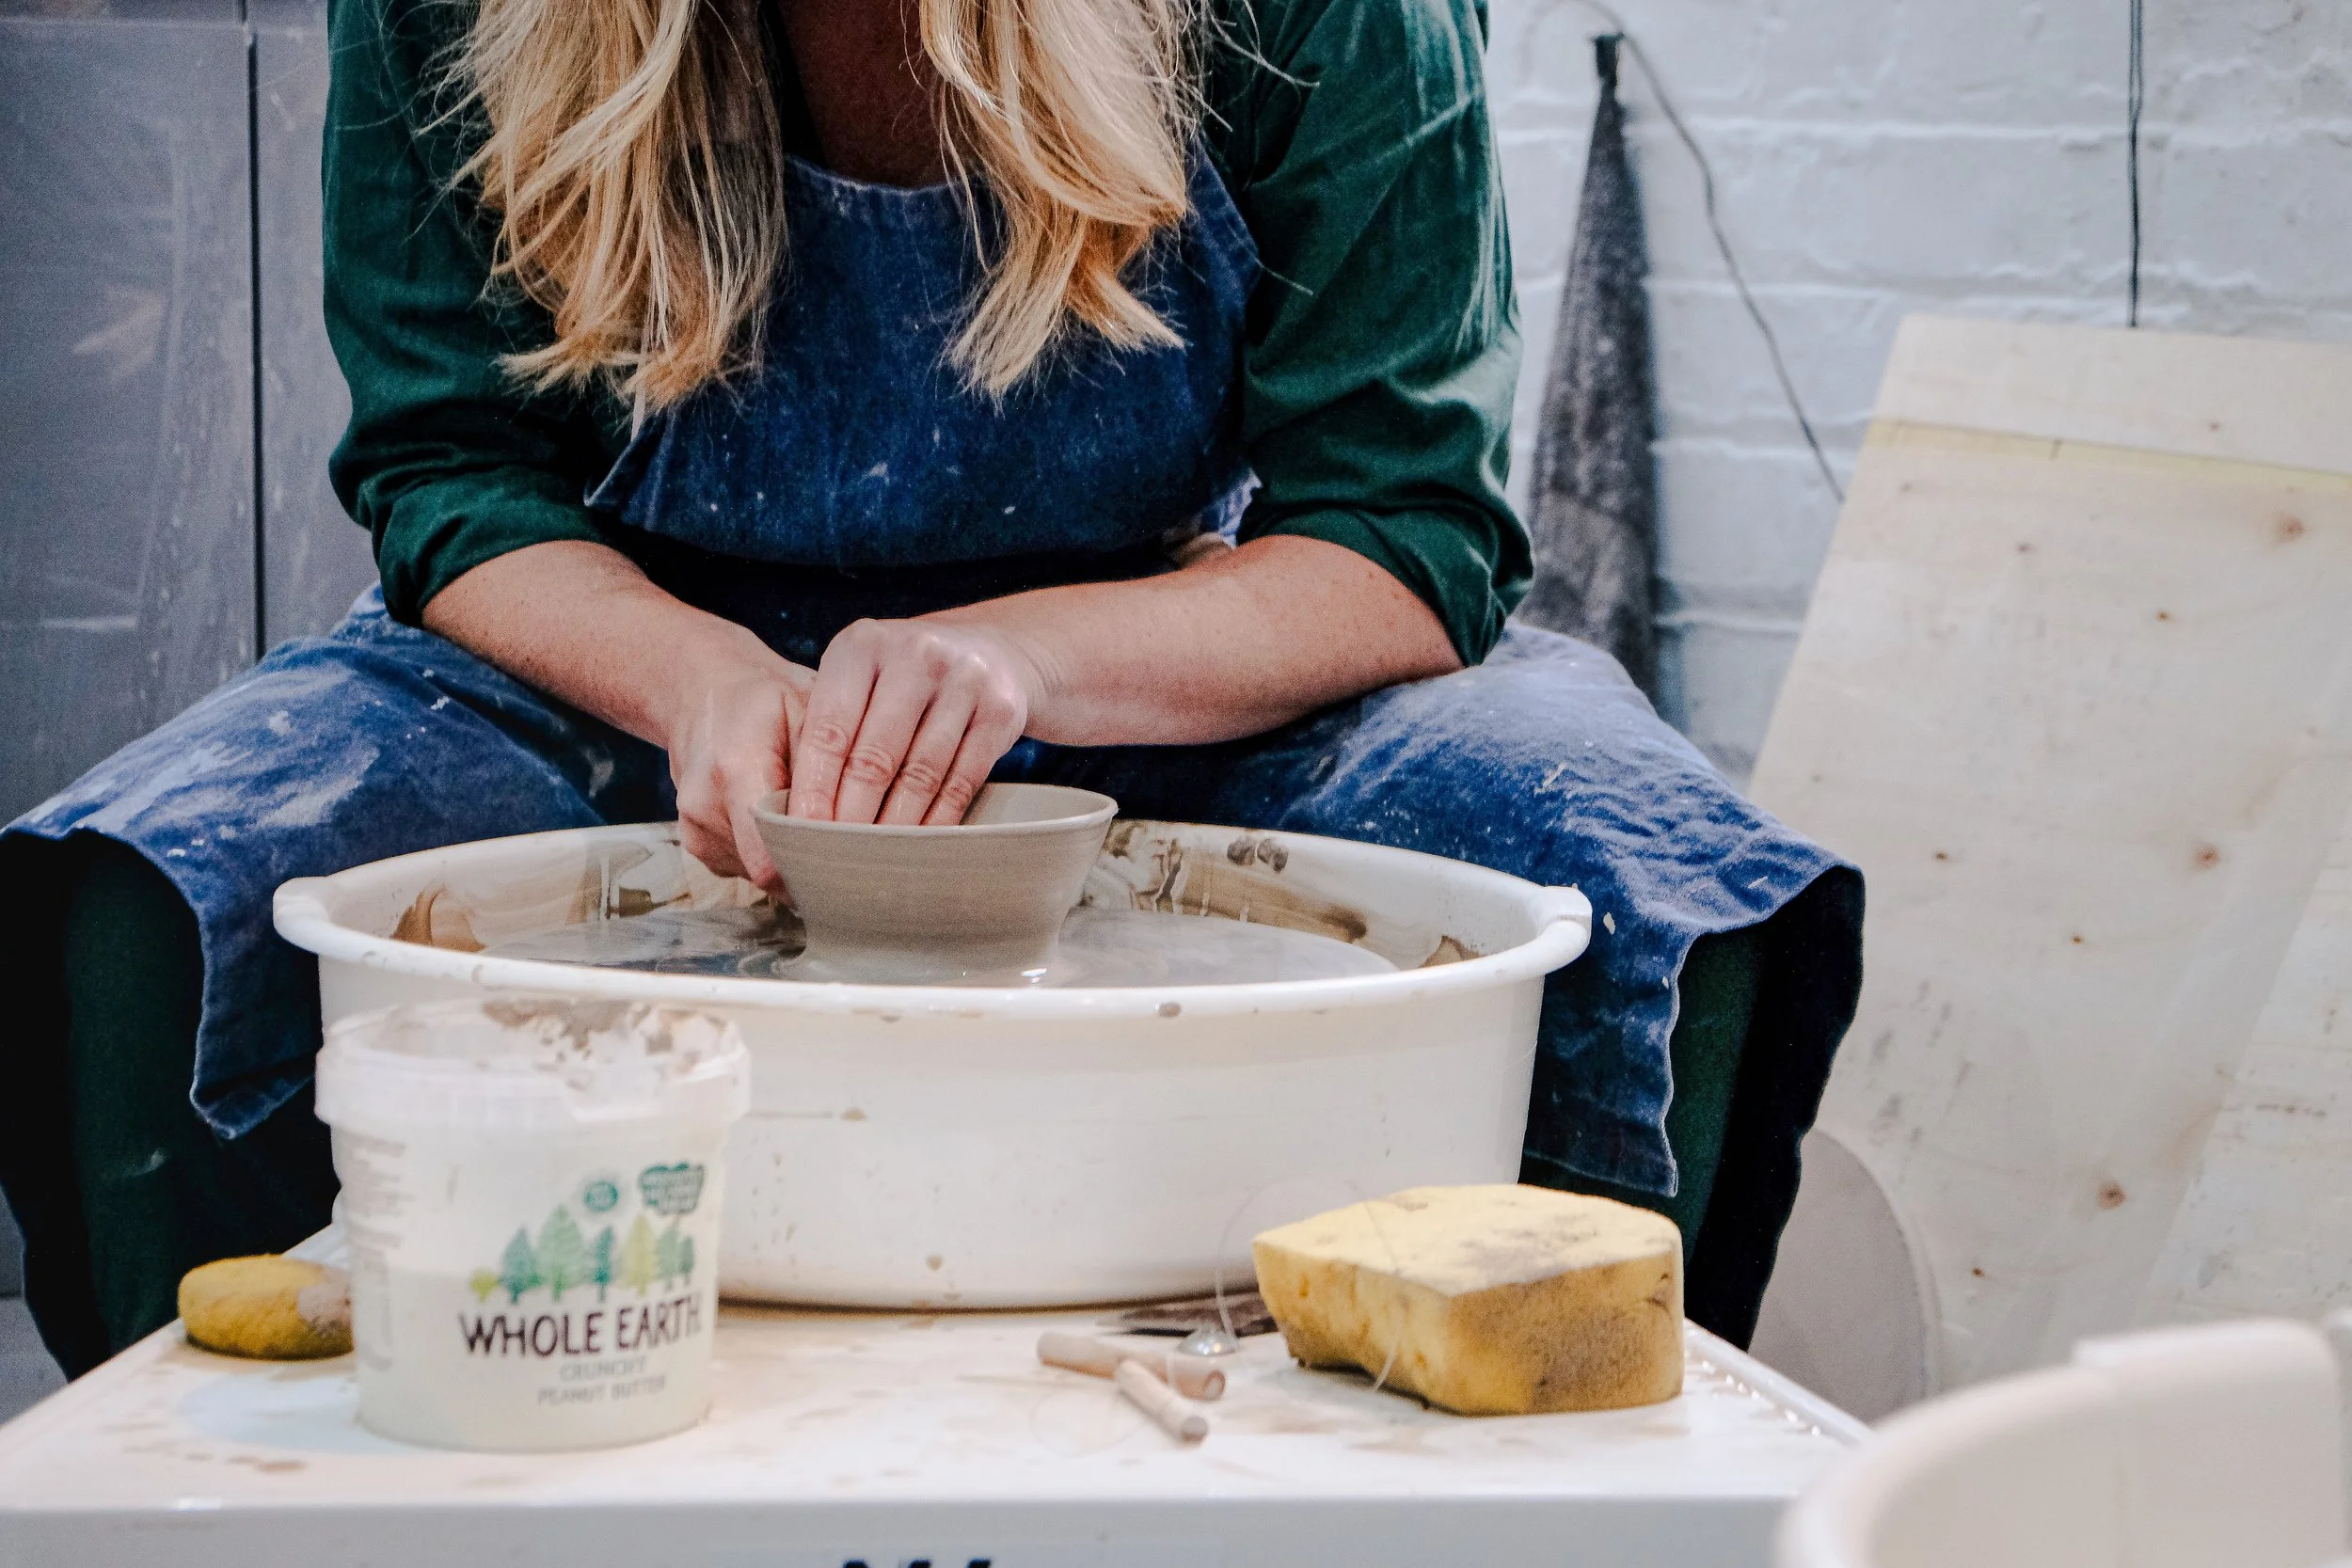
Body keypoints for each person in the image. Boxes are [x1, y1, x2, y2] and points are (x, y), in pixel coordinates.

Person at [0, 0, 1860, 1376]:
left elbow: (1403, 531)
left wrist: (1025, 655)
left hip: (1171, 652)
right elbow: (449, 474)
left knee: (1626, 873)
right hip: (629, 649)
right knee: (160, 886)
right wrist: (698, 675)